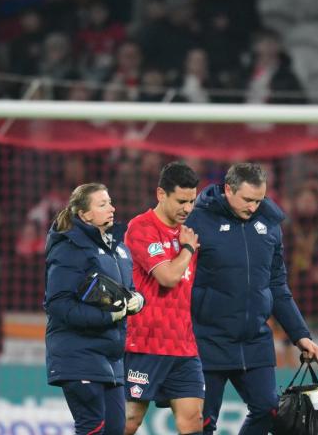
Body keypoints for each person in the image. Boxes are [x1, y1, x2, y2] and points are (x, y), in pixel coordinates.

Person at [184, 163, 318, 435]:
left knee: (269, 410)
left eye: (259, 200)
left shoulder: (270, 225)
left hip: (254, 340)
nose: (253, 206)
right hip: (207, 339)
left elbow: (277, 285)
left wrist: (300, 335)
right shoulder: (197, 221)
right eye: (247, 199)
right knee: (202, 423)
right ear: (228, 189)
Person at [44, 183, 144, 434]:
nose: (112, 208)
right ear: (84, 214)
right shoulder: (69, 248)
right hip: (78, 354)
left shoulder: (119, 248)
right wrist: (108, 316)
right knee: (93, 426)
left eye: (109, 202)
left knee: (115, 428)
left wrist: (138, 300)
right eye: (102, 204)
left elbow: (129, 290)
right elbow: (58, 304)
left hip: (111, 357)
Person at [124, 162, 204, 435]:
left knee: (193, 420)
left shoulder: (187, 232)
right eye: (181, 201)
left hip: (183, 345)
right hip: (145, 343)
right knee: (130, 420)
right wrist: (188, 249)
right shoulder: (142, 227)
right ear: (161, 194)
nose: (188, 208)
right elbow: (168, 277)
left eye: (192, 201)